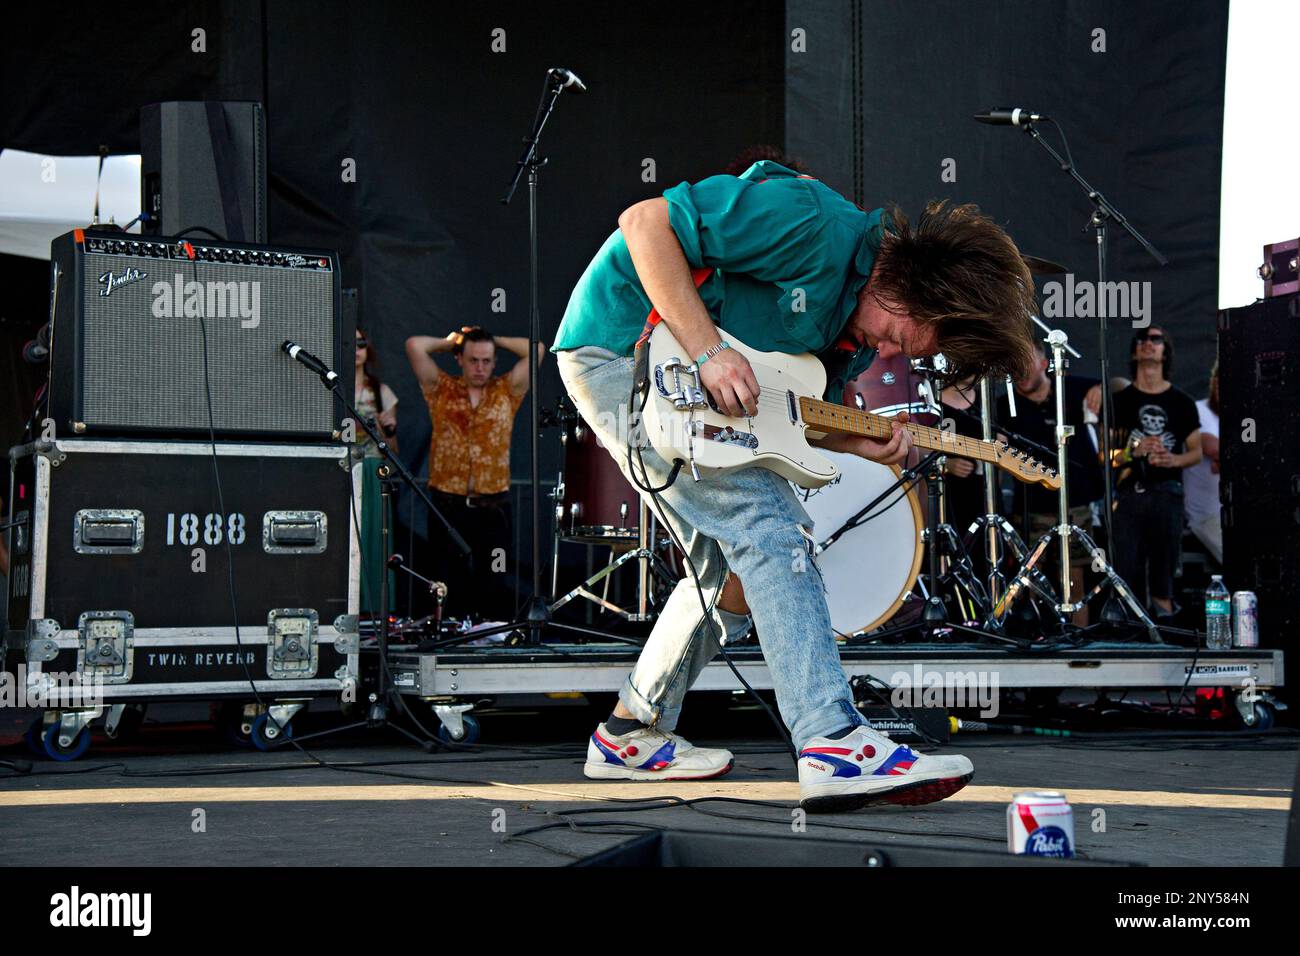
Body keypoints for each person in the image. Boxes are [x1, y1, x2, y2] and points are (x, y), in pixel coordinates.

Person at [553, 159, 1038, 812]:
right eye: (899, 337)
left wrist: (855, 438)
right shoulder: (812, 224)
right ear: (905, 286)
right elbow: (645, 225)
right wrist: (706, 352)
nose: (891, 354)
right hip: (621, 346)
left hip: (678, 367)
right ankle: (831, 740)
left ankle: (629, 732)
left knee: (726, 575)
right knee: (771, 530)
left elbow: (785, 417)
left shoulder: (853, 334)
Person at [405, 326, 543, 618]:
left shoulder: (506, 391)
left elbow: (538, 350)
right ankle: (448, 633)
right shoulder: (441, 388)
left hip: (492, 505)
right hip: (447, 503)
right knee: (446, 578)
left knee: (492, 579)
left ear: (494, 362)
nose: (480, 367)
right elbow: (415, 344)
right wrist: (450, 341)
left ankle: (487, 638)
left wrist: (497, 339)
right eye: (472, 360)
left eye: (486, 360)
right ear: (460, 359)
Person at [997, 339, 1105, 625]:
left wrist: (1100, 390)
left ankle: (1079, 638)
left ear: (1045, 364)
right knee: (1032, 577)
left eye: (1026, 360)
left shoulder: (1071, 388)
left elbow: (1115, 384)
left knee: (1075, 578)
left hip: (1074, 500)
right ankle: (1039, 635)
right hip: (1030, 502)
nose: (1019, 368)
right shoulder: (1005, 404)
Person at [1110, 326, 1202, 618]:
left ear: (1166, 351)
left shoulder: (1183, 403)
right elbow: (1102, 454)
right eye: (1141, 339)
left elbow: (1197, 452)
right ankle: (1127, 640)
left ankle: (1164, 641)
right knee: (1124, 576)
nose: (1148, 344)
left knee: (1164, 579)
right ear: (1134, 352)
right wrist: (1130, 453)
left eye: (1155, 339)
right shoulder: (1120, 401)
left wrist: (1172, 460)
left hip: (1168, 494)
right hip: (1129, 494)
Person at [352, 329, 399, 616]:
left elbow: (394, 449)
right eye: (351, 342)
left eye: (362, 344)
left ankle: (374, 611)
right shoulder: (333, 387)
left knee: (373, 540)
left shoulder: (381, 392)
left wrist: (384, 427)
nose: (357, 349)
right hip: (342, 470)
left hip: (371, 471)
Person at [1183, 361, 1221, 563]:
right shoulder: (1199, 410)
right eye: (1218, 380)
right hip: (1208, 517)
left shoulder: (1248, 417)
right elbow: (1214, 449)